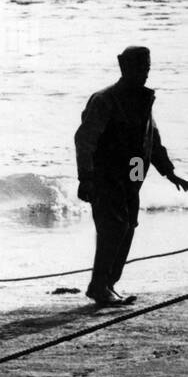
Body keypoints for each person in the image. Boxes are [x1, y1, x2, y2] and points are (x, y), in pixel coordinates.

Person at [74, 46, 186, 306]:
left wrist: (169, 172)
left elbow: (151, 140)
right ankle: (99, 285)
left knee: (129, 225)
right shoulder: (105, 100)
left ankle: (108, 284)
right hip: (106, 174)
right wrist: (86, 178)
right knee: (113, 227)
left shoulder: (142, 101)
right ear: (123, 66)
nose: (144, 73)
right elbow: (85, 140)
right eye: (139, 67)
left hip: (134, 172)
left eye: (147, 67)